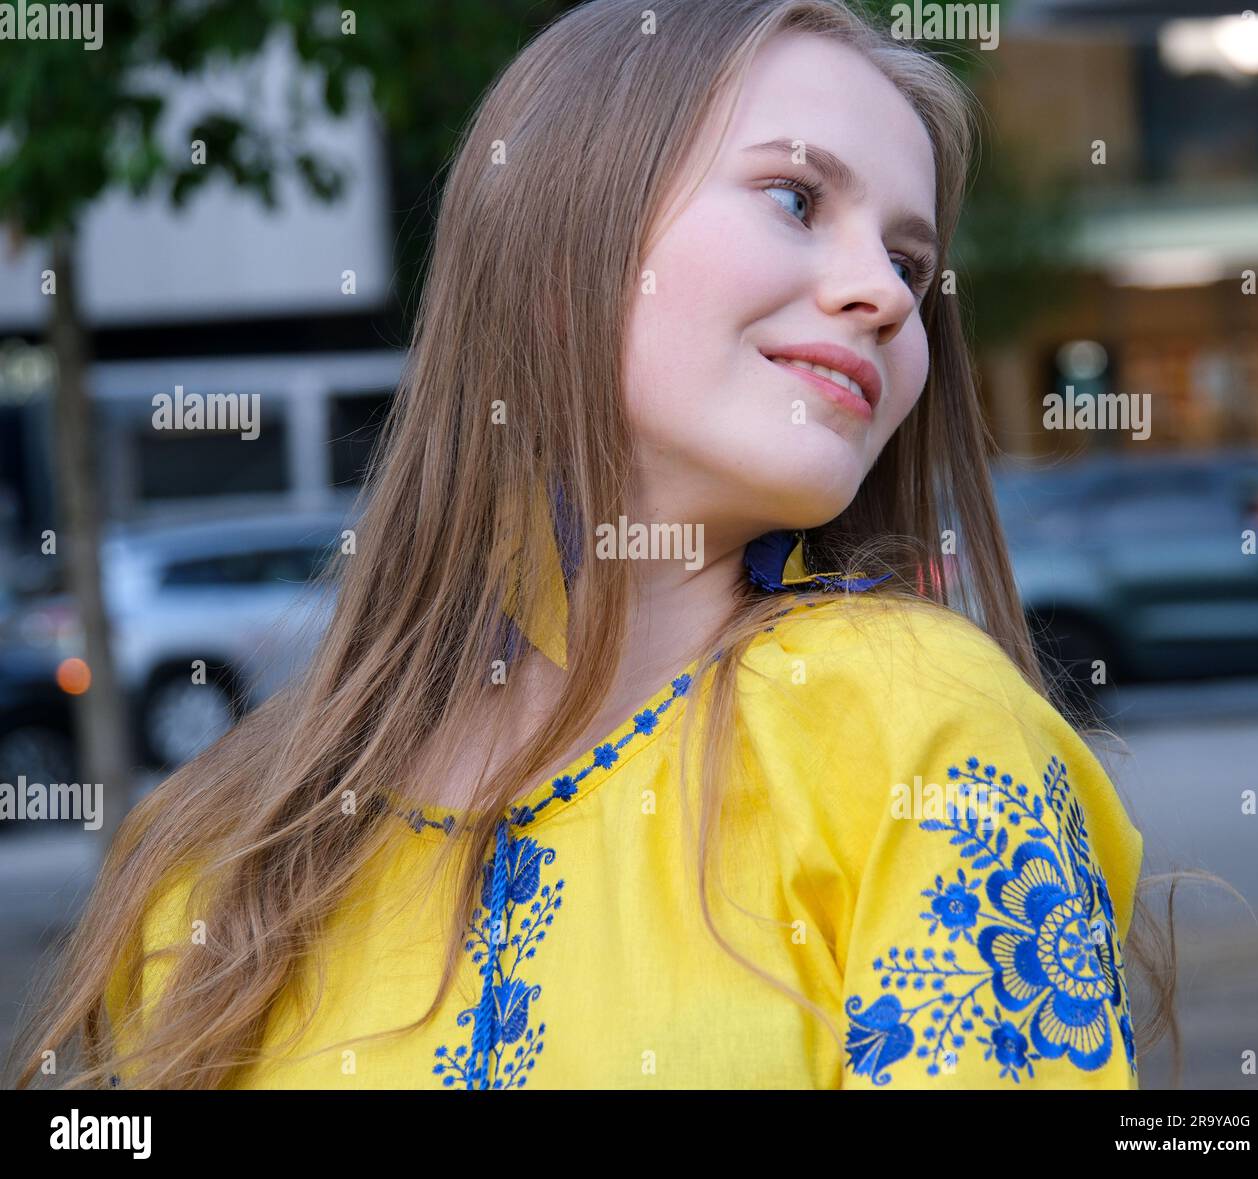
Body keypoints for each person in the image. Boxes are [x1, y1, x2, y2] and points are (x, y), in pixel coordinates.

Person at [10, 0, 1172, 1090]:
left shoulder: (918, 732)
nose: (883, 293)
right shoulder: (218, 860)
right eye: (795, 199)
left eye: (913, 266)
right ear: (566, 243)